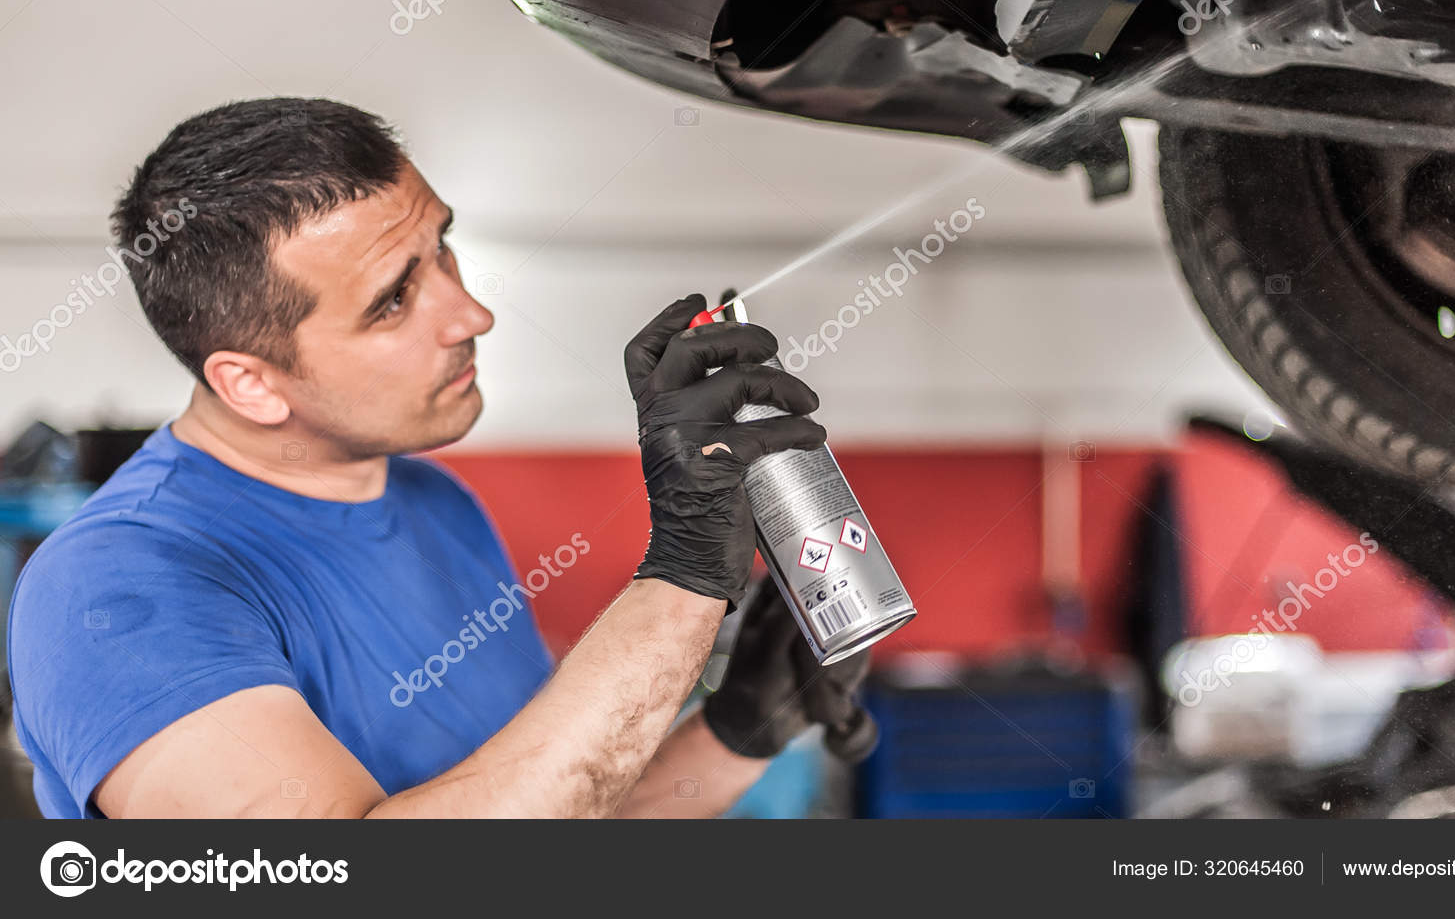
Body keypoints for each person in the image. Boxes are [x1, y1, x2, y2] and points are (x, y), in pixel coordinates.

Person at [5, 97, 873, 819]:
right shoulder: (114, 588)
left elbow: (542, 821)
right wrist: (681, 579)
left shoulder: (432, 500)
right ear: (253, 384)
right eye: (392, 302)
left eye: (442, 249)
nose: (470, 315)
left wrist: (735, 733)